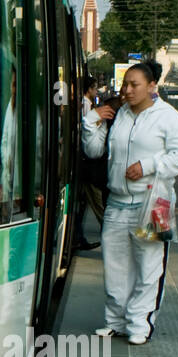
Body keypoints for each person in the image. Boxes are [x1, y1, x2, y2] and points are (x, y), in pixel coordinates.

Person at [82, 59, 178, 345]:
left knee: (149, 266)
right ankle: (115, 320)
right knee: (115, 265)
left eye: (134, 85)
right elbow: (93, 151)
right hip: (117, 202)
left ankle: (140, 323)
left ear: (152, 86)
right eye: (125, 85)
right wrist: (92, 121)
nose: (127, 90)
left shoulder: (168, 117)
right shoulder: (119, 115)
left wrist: (149, 165)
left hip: (154, 202)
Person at [74, 74, 105, 250]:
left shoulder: (87, 104)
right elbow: (87, 130)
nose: (96, 91)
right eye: (94, 88)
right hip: (88, 164)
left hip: (87, 165)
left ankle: (79, 237)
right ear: (89, 89)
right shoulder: (86, 105)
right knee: (94, 202)